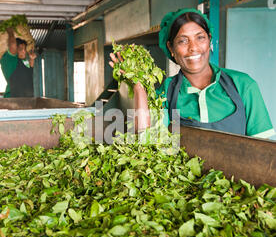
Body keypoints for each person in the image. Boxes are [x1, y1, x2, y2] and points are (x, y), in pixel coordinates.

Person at [110, 8, 275, 139]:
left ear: (209, 40)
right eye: (183, 40)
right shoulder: (166, 92)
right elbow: (146, 139)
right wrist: (138, 87)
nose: (193, 47)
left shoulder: (243, 85)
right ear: (171, 49)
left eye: (200, 38)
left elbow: (264, 150)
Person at [0, 27, 37, 98]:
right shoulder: (10, 60)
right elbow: (13, 44)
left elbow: (30, 69)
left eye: (24, 49)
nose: (24, 51)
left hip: (27, 100)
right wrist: (10, 32)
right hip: (12, 100)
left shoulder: (24, 61)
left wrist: (32, 59)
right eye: (20, 49)